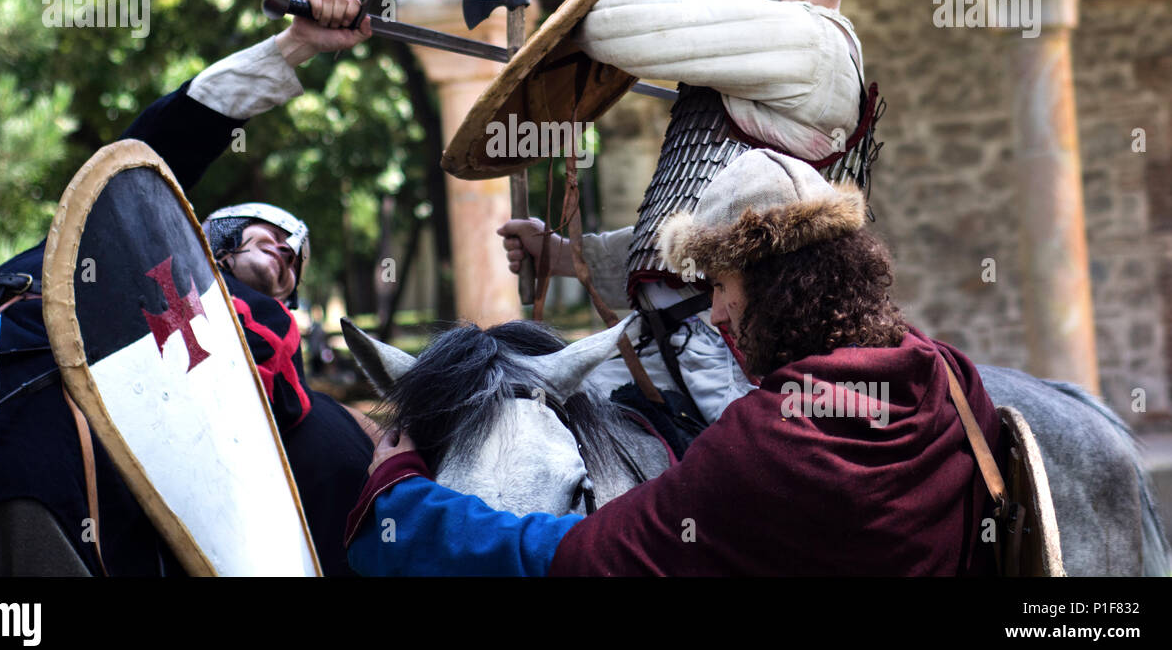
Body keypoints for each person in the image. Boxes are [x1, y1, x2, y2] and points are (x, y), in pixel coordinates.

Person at [0, 0, 375, 575]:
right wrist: (292, 48)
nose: (283, 247)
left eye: (293, 256)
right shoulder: (118, 244)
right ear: (208, 237)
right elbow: (165, 138)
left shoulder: (262, 324)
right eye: (262, 231)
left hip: (52, 392)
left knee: (36, 472)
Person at [346, 149, 1003, 576]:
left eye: (719, 285)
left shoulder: (766, 444)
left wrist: (407, 497)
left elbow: (580, 559)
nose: (716, 314)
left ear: (773, 285)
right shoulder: (952, 378)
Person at [499, 0, 878, 442]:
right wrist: (561, 255)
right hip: (671, 341)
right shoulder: (761, 57)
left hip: (732, 355)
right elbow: (686, 238)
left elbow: (608, 22)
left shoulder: (814, 44)